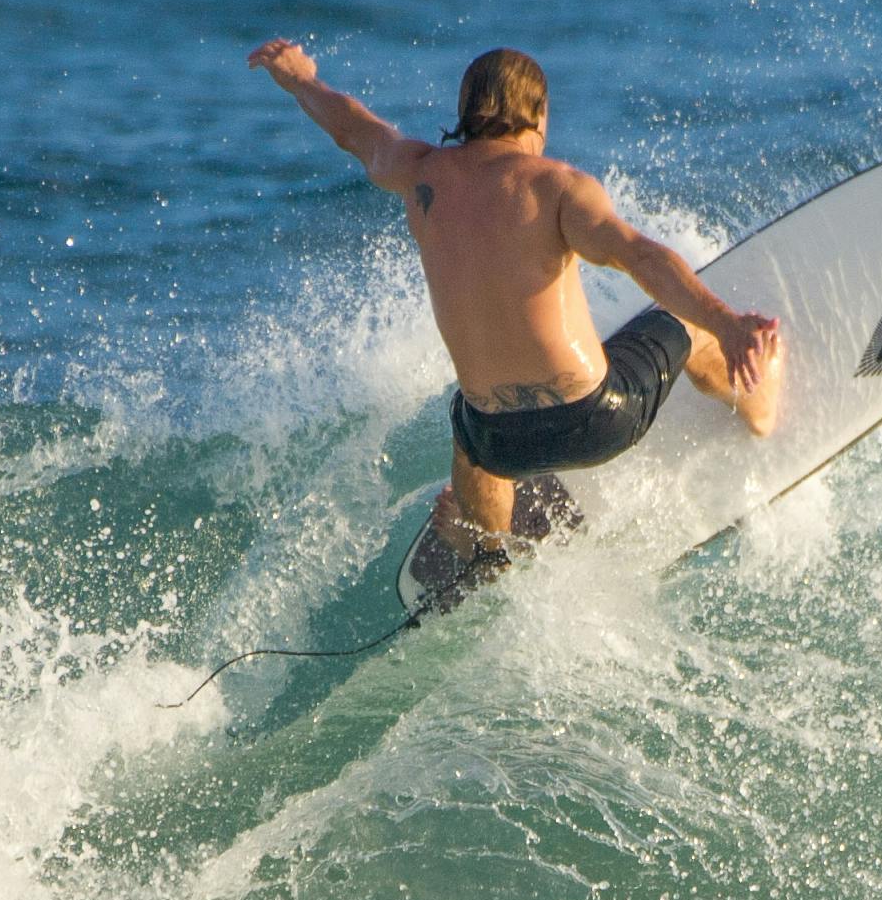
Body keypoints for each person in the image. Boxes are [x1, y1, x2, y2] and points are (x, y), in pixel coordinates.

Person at [248, 39, 783, 569]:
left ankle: (486, 547)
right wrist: (727, 322)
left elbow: (352, 129)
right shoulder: (557, 187)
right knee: (684, 329)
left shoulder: (417, 175)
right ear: (538, 115)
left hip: (498, 441)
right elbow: (641, 258)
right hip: (597, 420)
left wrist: (301, 80)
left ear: (466, 113)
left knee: (466, 423)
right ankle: (763, 410)